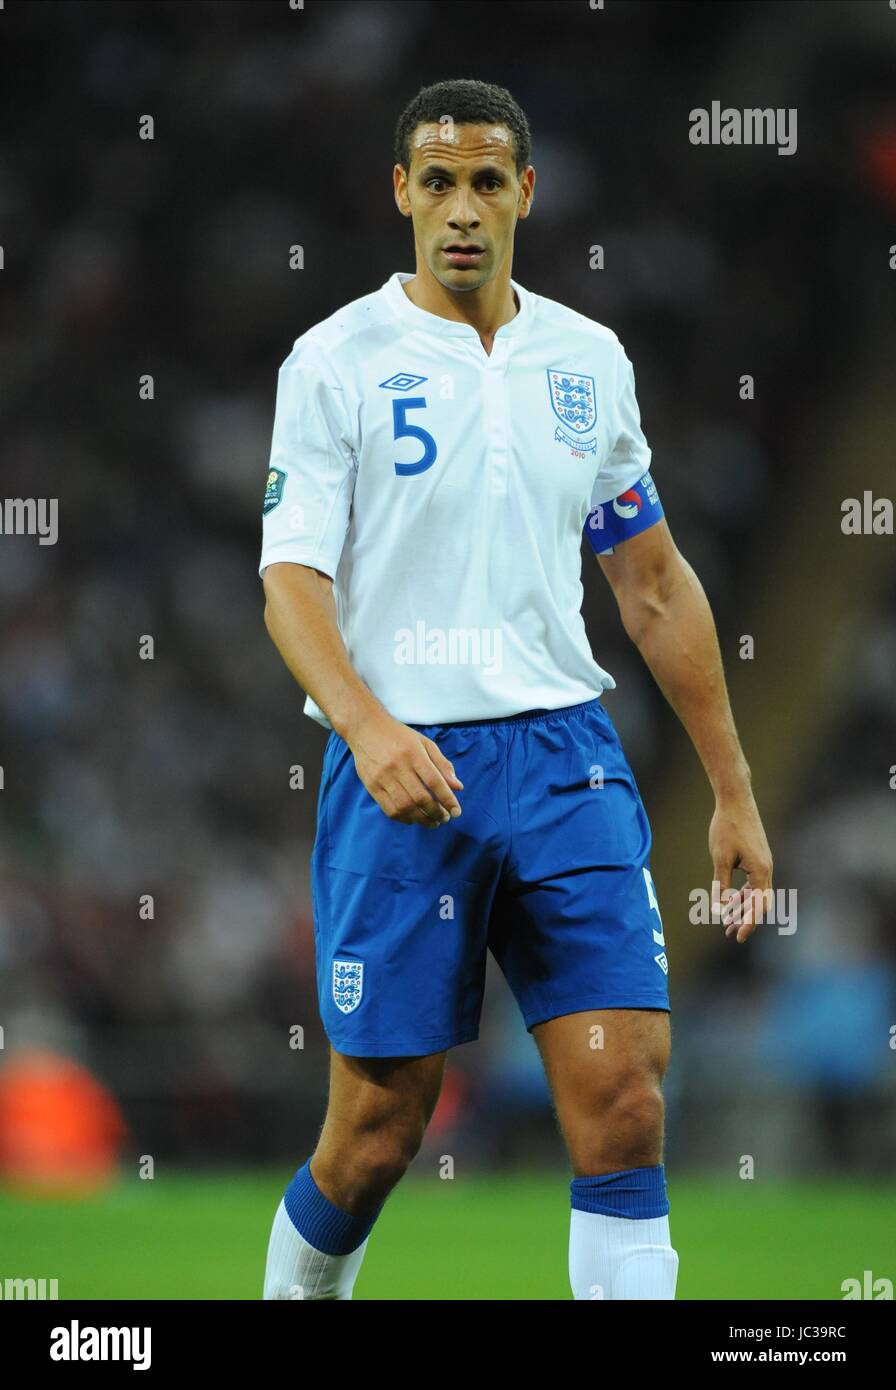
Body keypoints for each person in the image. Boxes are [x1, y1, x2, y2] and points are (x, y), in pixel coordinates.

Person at [259, 78, 772, 1301]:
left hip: (563, 760)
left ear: (524, 194)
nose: (461, 208)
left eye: (487, 180)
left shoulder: (585, 361)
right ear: (401, 193)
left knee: (623, 1094)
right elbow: (289, 578)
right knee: (379, 1130)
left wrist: (732, 792)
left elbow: (648, 584)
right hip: (402, 773)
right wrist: (368, 723)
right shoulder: (334, 360)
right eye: (436, 181)